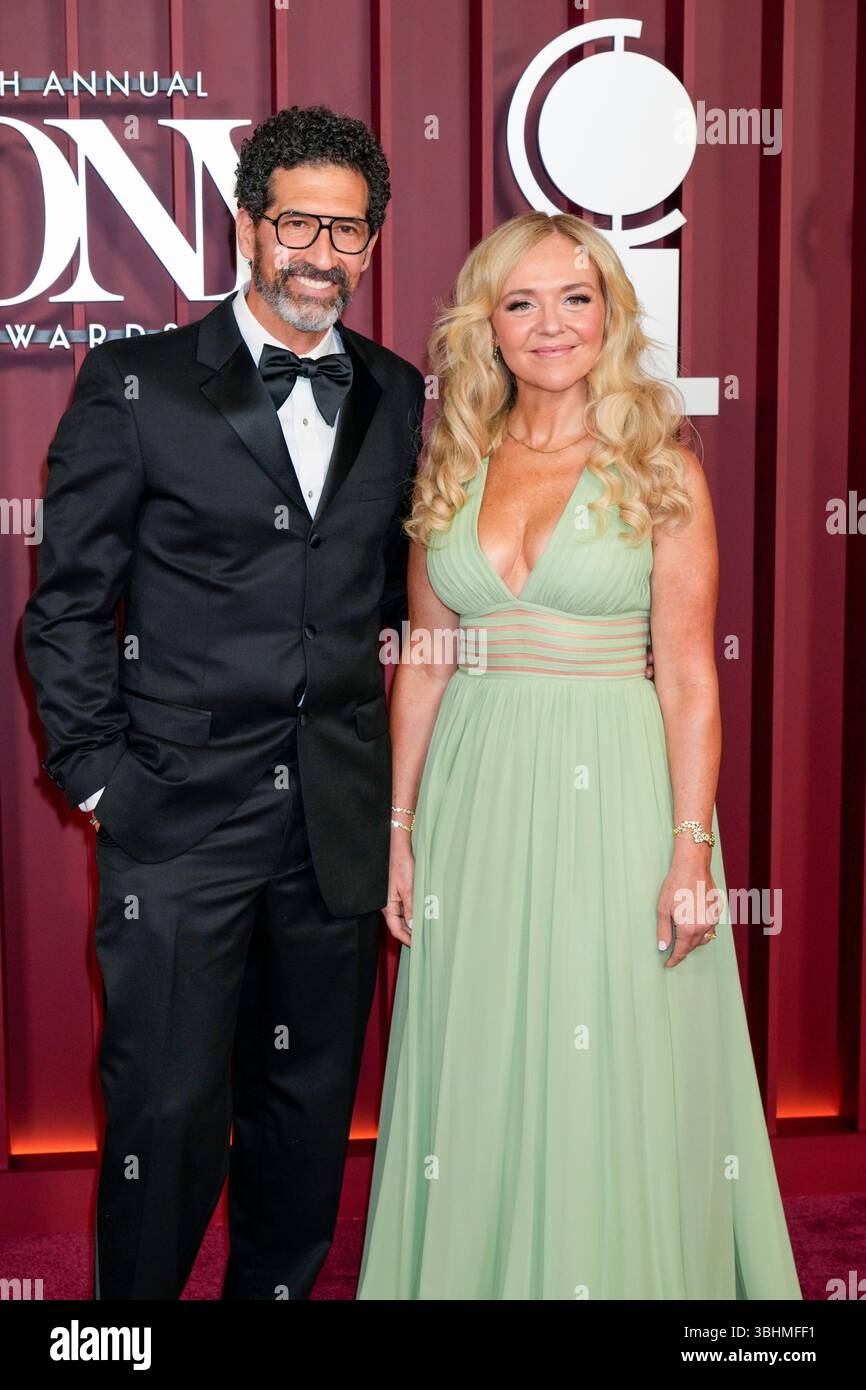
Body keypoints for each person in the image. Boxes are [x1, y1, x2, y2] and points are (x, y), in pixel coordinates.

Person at [356, 211, 803, 1300]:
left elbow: (690, 673)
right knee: (484, 1054)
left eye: (573, 297)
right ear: (487, 326)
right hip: (472, 790)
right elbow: (423, 658)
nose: (548, 324)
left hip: (615, 790)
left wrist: (689, 851)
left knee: (612, 1051)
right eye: (520, 302)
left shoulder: (657, 464)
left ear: (607, 313)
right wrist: (398, 831)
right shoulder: (453, 458)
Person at [22, 104, 425, 1301]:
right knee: (163, 1103)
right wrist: (101, 777)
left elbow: (398, 592)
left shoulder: (397, 394)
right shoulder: (137, 381)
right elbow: (66, 601)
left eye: (346, 230)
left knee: (304, 1114)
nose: (320, 251)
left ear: (371, 244)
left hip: (335, 821)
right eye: (296, 220)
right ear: (248, 227)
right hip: (178, 818)